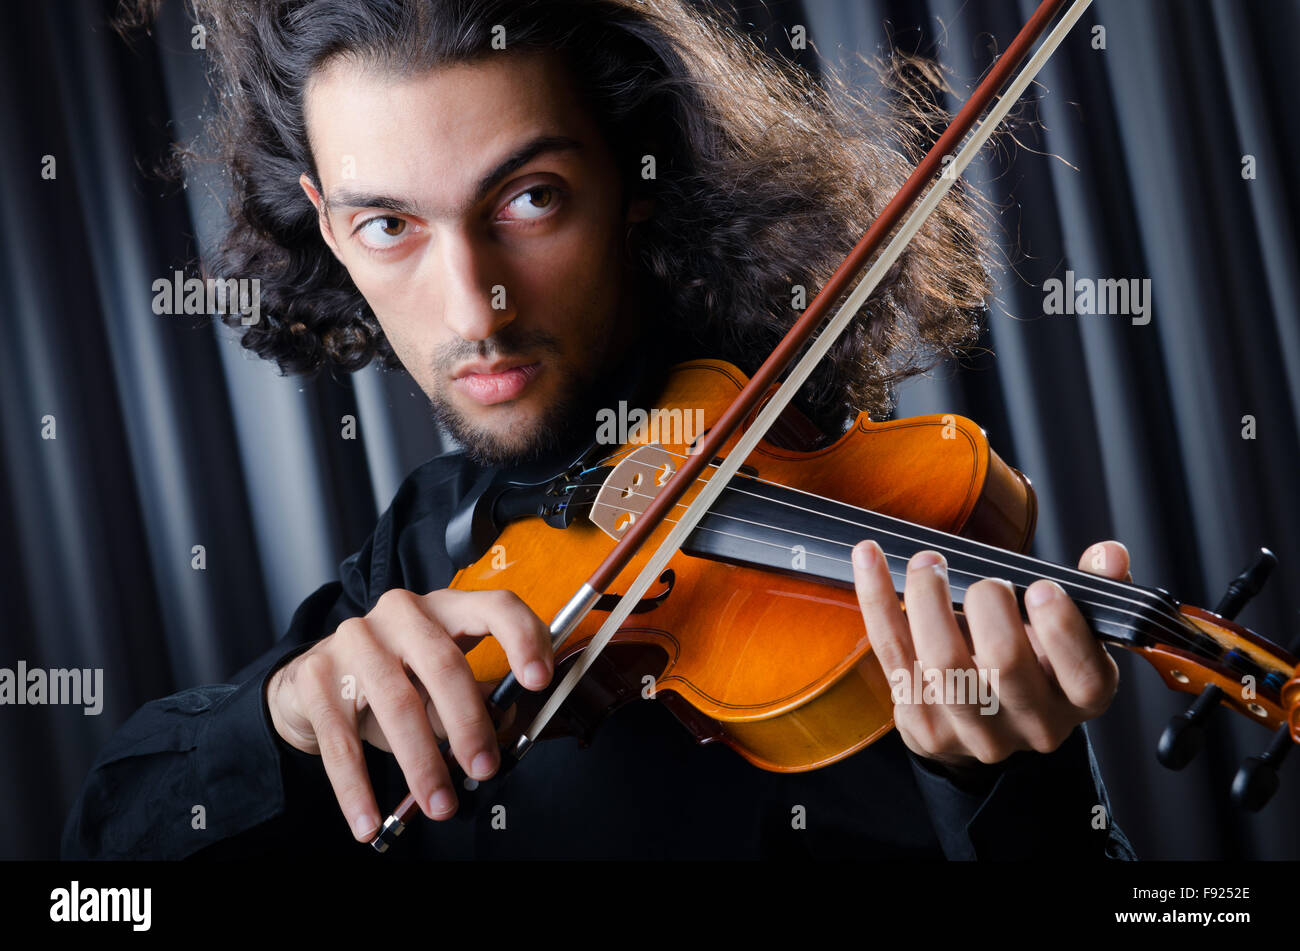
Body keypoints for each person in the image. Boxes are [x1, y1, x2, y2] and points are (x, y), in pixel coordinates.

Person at [64, 0, 1136, 859]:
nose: (473, 306)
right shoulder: (428, 544)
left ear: (631, 178)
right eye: (389, 225)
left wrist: (1008, 787)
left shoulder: (857, 522)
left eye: (528, 200)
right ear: (331, 228)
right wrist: (282, 718)